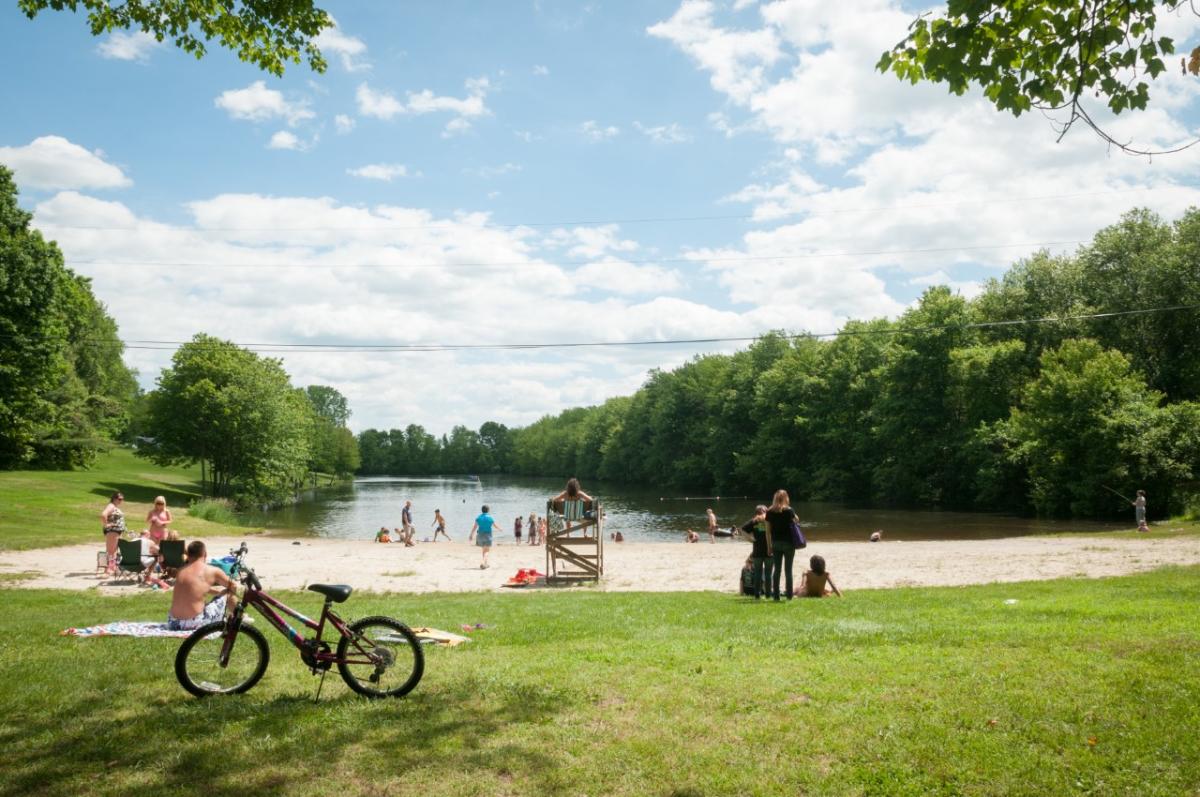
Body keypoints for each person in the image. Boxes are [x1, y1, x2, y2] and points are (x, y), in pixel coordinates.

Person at [167, 541, 237, 630]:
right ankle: (238, 617)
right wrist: (226, 595)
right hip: (195, 623)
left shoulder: (181, 571)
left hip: (173, 623)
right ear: (205, 554)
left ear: (188, 555)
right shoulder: (212, 570)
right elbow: (233, 585)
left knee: (205, 602)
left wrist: (217, 592)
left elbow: (195, 588)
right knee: (229, 591)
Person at [765, 489, 798, 601]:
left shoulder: (769, 512)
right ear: (786, 498)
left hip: (776, 543)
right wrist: (791, 510)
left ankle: (776, 596)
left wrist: (769, 546)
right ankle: (789, 596)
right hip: (789, 544)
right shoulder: (789, 510)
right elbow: (797, 521)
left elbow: (768, 532)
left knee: (777, 570)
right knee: (788, 570)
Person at [741, 505, 773, 599]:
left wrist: (750, 539)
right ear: (766, 511)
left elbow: (742, 530)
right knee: (768, 574)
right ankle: (768, 594)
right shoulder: (770, 520)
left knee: (758, 573)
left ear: (756, 513)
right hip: (769, 551)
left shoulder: (754, 521)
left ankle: (757, 594)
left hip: (757, 551)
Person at [100, 491, 126, 575]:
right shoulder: (111, 506)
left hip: (117, 531)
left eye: (122, 499)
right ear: (114, 498)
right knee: (110, 551)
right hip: (112, 531)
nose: (121, 501)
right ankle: (106, 570)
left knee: (114, 551)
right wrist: (107, 524)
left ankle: (112, 568)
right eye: (119, 499)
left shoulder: (114, 506)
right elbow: (103, 514)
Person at [469, 504, 498, 569]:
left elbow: (474, 527)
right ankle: (483, 562)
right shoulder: (490, 518)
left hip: (480, 535)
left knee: (483, 550)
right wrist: (500, 529)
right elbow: (495, 525)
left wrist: (471, 535)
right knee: (487, 551)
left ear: (482, 510)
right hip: (488, 535)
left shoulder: (478, 518)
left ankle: (485, 564)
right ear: (488, 510)